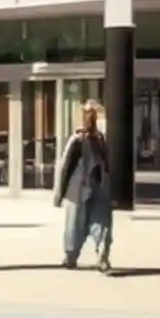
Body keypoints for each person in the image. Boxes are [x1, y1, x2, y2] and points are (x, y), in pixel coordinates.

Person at [54, 99, 113, 272]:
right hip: (81, 188)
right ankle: (81, 256)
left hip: (90, 187)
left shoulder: (98, 140)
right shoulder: (80, 140)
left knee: (91, 222)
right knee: (88, 222)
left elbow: (65, 167)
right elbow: (66, 167)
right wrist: (59, 193)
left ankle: (82, 256)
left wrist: (59, 194)